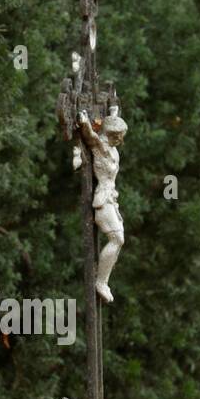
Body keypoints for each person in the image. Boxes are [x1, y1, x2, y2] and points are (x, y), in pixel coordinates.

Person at [79, 107, 128, 303]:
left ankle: (103, 281)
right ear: (113, 134)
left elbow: (107, 125)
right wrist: (84, 122)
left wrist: (113, 113)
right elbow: (91, 135)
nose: (121, 139)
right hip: (102, 200)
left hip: (111, 199)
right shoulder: (101, 146)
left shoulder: (113, 149)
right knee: (117, 238)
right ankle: (101, 282)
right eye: (119, 135)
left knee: (119, 239)